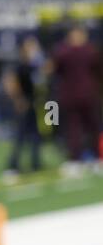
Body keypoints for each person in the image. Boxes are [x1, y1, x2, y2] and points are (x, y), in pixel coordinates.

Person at [49, 24, 101, 169]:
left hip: (74, 95)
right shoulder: (91, 51)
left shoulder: (63, 52)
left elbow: (54, 71)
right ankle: (92, 158)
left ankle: (80, 159)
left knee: (79, 128)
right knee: (85, 128)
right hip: (86, 95)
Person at [2, 35, 44, 176]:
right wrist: (18, 99)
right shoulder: (19, 64)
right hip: (24, 103)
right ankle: (13, 165)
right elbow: (11, 82)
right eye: (30, 46)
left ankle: (35, 162)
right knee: (20, 135)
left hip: (36, 103)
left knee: (37, 135)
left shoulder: (36, 64)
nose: (33, 49)